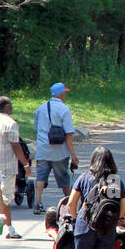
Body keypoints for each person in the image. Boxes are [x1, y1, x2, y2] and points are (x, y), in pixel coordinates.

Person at [0, 96, 28, 240]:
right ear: (7, 106)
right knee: (5, 199)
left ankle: (9, 228)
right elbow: (16, 146)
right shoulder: (11, 123)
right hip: (7, 167)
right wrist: (26, 164)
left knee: (3, 199)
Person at [33, 82, 77, 213]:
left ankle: (37, 203)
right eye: (65, 93)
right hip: (59, 151)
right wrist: (73, 155)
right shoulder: (64, 109)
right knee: (63, 178)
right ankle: (70, 203)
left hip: (42, 149)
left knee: (40, 177)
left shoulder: (40, 108)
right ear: (62, 94)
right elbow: (69, 134)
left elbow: (36, 128)